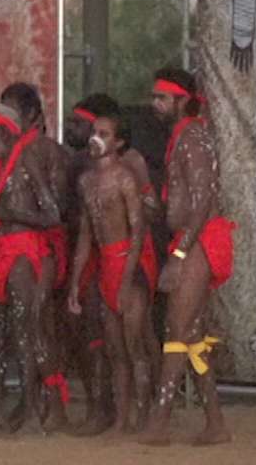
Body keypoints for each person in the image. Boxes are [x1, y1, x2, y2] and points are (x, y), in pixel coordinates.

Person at [139, 67, 234, 447]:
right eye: (154, 97)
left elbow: (203, 199)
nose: (155, 104)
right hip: (191, 239)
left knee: (176, 329)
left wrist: (179, 253)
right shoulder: (185, 135)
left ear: (182, 101)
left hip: (198, 241)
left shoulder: (192, 136)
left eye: (161, 98)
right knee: (190, 332)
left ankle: (159, 421)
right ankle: (215, 423)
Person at [0, 105, 62, 435]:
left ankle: (32, 413)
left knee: (24, 331)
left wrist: (7, 214)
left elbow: (52, 215)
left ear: (6, 134)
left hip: (22, 251)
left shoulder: (27, 163)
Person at [68, 112, 159, 435]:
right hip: (106, 264)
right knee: (115, 350)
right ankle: (121, 419)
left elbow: (137, 232)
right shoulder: (86, 181)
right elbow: (85, 235)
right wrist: (75, 284)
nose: (95, 138)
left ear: (119, 143)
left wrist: (127, 279)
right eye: (95, 132)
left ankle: (143, 417)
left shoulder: (124, 178)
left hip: (126, 263)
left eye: (104, 134)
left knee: (135, 348)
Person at [0, 83, 70, 430]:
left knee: (37, 327)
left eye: (11, 112)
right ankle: (32, 403)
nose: (5, 118)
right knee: (25, 329)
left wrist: (6, 214)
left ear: (31, 116)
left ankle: (51, 406)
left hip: (38, 248)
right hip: (16, 248)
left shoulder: (42, 150)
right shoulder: (10, 150)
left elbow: (55, 213)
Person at [61, 93, 122, 435]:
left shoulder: (118, 169)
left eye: (78, 123)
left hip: (109, 259)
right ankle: (100, 407)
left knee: (105, 337)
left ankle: (112, 410)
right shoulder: (78, 164)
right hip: (83, 256)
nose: (70, 127)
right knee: (86, 334)